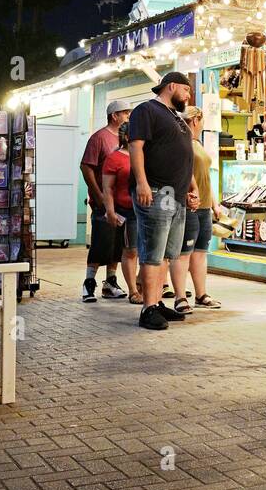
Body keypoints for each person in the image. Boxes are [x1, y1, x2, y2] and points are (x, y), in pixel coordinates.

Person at [128, 71, 198, 330]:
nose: (188, 95)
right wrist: (142, 183)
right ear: (171, 86)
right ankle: (148, 309)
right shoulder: (146, 110)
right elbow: (136, 147)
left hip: (177, 196)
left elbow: (183, 156)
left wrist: (190, 189)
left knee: (168, 254)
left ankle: (157, 303)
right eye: (186, 90)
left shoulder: (174, 116)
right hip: (156, 191)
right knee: (152, 253)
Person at [170, 106, 222, 313]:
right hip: (190, 205)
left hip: (205, 205)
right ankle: (180, 297)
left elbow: (205, 177)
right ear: (195, 120)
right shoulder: (180, 144)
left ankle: (201, 294)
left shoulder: (197, 144)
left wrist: (215, 203)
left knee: (200, 252)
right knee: (183, 253)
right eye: (202, 121)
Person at [79, 99, 132, 301]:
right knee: (101, 243)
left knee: (118, 244)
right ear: (114, 116)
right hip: (103, 202)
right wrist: (98, 195)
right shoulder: (99, 138)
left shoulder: (125, 140)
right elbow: (86, 167)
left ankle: (110, 282)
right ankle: (89, 283)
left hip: (122, 202)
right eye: (125, 113)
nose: (128, 116)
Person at [99, 121, 140, 301]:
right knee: (130, 250)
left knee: (148, 252)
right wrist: (110, 211)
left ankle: (145, 285)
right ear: (126, 137)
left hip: (146, 209)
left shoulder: (143, 155)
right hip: (127, 211)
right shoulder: (114, 158)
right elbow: (107, 188)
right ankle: (133, 291)